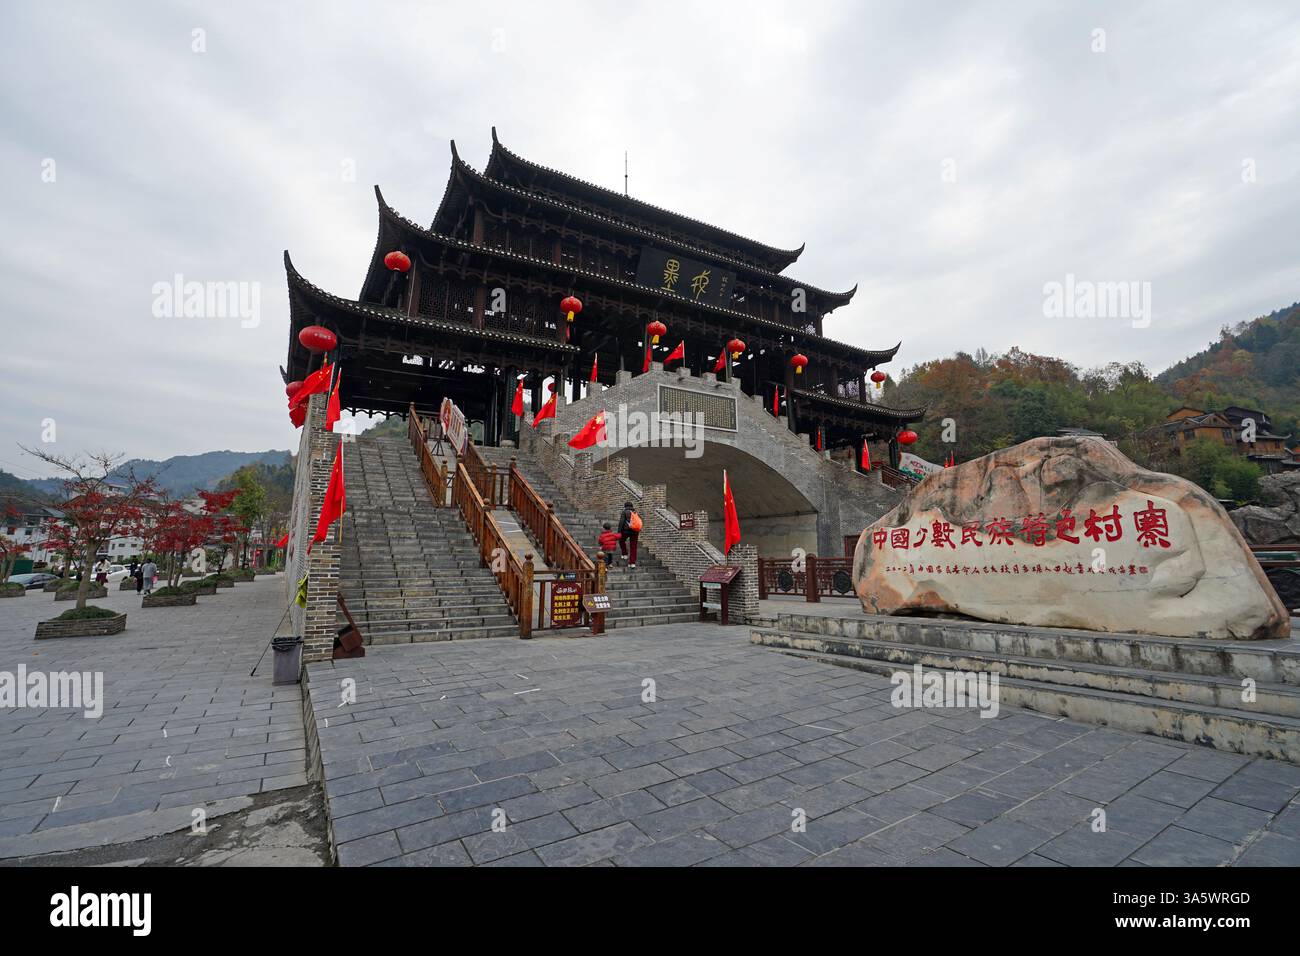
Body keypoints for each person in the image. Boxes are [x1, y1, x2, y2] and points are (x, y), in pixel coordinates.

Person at [618, 502, 640, 569]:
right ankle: (632, 563)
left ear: (625, 506)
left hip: (626, 531)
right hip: (635, 531)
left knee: (621, 540)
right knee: (633, 547)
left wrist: (619, 531)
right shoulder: (635, 512)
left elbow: (621, 522)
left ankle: (624, 554)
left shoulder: (624, 512)